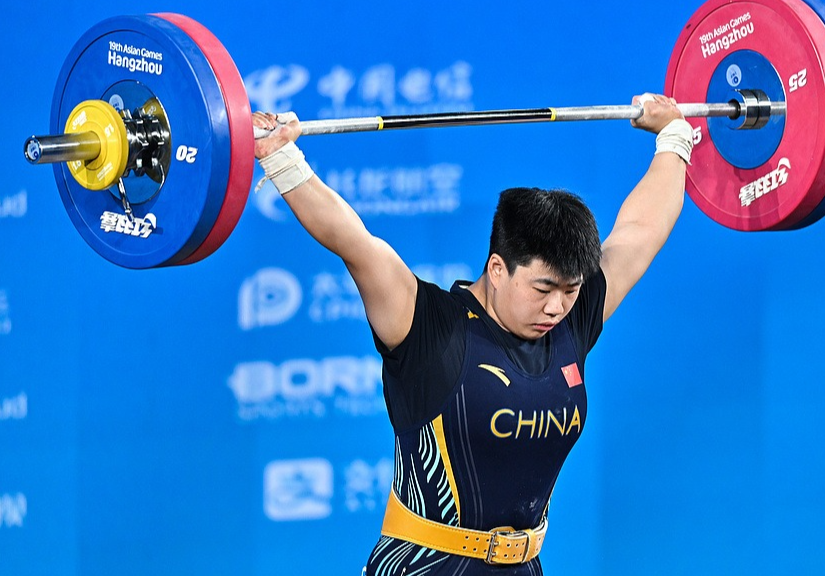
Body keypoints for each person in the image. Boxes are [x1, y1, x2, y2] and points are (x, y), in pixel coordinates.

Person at [252, 93, 692, 575]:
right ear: (498, 268)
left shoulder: (572, 316)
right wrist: (280, 155)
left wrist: (673, 136)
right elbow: (353, 242)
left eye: (570, 291)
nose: (556, 307)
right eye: (543, 288)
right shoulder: (428, 326)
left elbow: (640, 232)